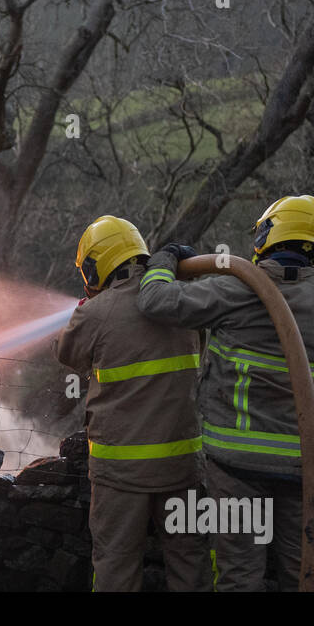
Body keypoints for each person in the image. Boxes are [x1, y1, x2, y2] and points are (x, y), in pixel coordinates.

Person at [136, 195, 314, 591]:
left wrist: (163, 261)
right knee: (308, 575)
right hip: (304, 469)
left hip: (236, 469)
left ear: (268, 235)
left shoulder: (234, 290)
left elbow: (155, 301)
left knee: (238, 577)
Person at [54, 215, 211, 592]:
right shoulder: (181, 300)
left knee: (115, 569)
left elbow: (66, 352)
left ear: (97, 265)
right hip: (182, 468)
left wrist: (83, 311)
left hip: (120, 475)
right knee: (191, 566)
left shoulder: (94, 313)